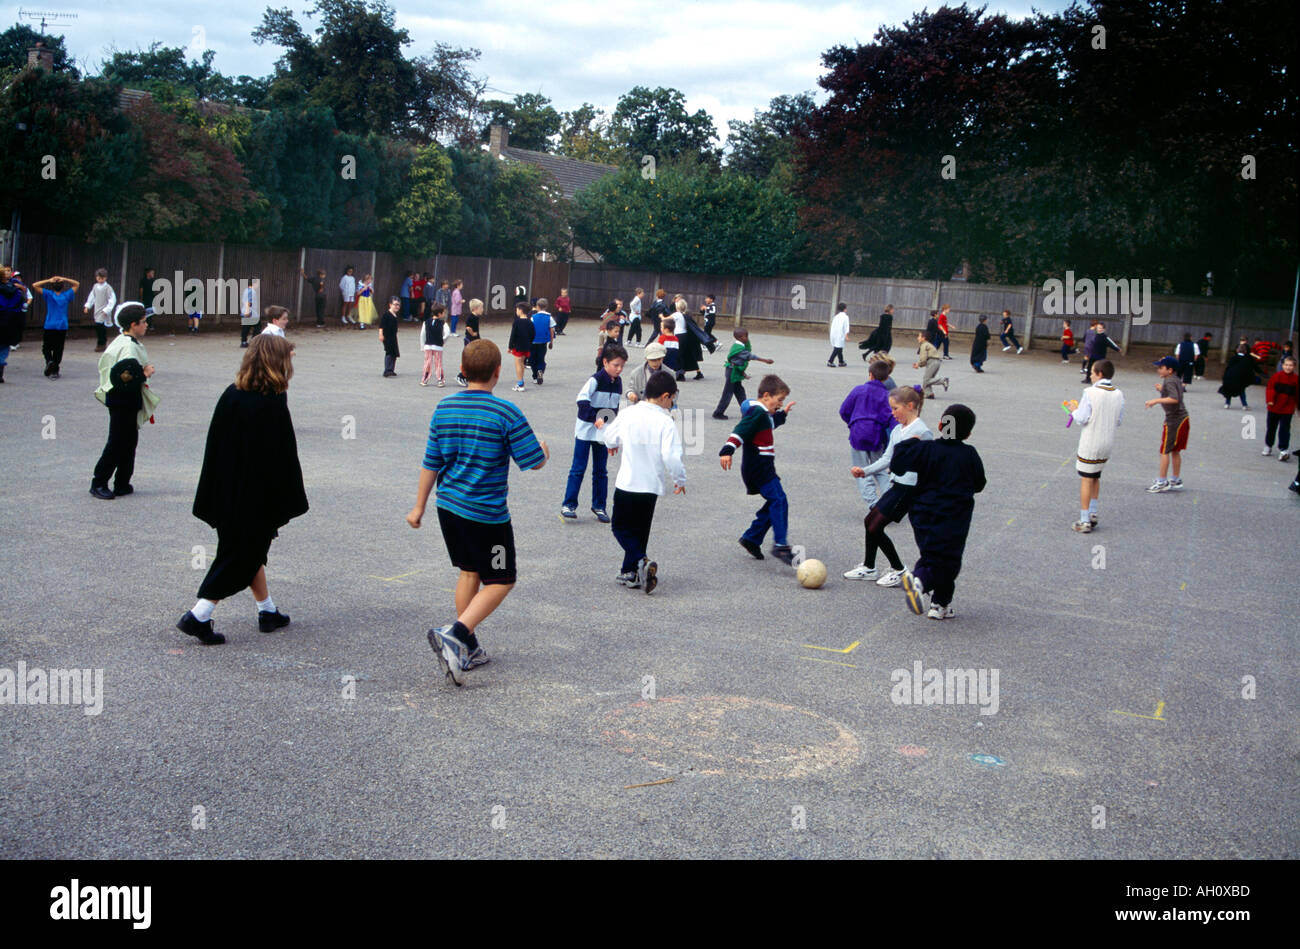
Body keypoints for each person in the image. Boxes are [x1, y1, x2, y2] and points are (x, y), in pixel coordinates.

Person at [406, 339, 550, 687]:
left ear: (463, 370)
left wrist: (419, 506)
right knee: (502, 579)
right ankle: (455, 634)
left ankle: (465, 646)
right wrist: (545, 448)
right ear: (498, 372)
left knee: (469, 572)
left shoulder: (444, 408)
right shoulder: (506, 413)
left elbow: (431, 461)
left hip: (448, 508)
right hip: (487, 515)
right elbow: (533, 462)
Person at [176, 333, 307, 646]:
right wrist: (283, 497)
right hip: (255, 497)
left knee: (248, 552)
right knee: (240, 556)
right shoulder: (271, 400)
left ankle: (267, 611)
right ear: (276, 363)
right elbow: (280, 455)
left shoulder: (232, 393)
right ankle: (199, 615)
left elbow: (217, 446)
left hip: (226, 491)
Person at [893, 404, 986, 620]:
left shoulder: (926, 449)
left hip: (922, 512)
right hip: (953, 516)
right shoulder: (969, 454)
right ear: (968, 433)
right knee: (948, 560)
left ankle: (940, 603)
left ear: (940, 425)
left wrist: (911, 442)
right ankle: (920, 582)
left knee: (933, 555)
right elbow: (980, 483)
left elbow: (898, 464)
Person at [602, 369, 687, 592]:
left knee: (619, 527)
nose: (673, 402)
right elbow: (671, 455)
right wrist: (679, 479)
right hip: (651, 485)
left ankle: (640, 561)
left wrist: (612, 445)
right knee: (640, 530)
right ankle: (632, 571)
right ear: (665, 396)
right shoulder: (665, 421)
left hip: (628, 482)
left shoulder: (629, 413)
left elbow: (610, 437)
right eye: (673, 398)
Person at [844, 385, 931, 584]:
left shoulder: (922, 432)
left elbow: (928, 465)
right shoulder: (898, 430)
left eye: (895, 409)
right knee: (869, 522)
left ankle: (899, 570)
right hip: (897, 486)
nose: (892, 413)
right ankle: (869, 567)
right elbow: (887, 458)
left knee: (875, 526)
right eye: (891, 409)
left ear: (910, 406)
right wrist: (864, 471)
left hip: (909, 490)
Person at [721, 375, 798, 564]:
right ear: (766, 395)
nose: (780, 404)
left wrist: (782, 414)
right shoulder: (757, 412)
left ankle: (752, 538)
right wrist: (727, 450)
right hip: (759, 468)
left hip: (763, 467)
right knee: (779, 500)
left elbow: (769, 424)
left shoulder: (763, 414)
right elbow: (741, 430)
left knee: (775, 502)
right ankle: (781, 545)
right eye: (779, 400)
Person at [90, 303, 157, 500]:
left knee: (129, 441)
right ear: (133, 324)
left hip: (125, 399)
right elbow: (124, 378)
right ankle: (99, 482)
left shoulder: (126, 341)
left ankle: (122, 482)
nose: (146, 325)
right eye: (144, 322)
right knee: (117, 441)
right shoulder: (128, 347)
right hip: (122, 399)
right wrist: (145, 373)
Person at [562, 342, 627, 521]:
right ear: (605, 363)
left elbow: (614, 411)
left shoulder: (618, 382)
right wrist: (595, 418)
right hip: (585, 432)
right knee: (578, 468)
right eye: (616, 365)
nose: (619, 369)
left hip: (602, 435)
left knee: (601, 470)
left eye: (622, 366)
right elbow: (581, 402)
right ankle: (568, 504)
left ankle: (599, 506)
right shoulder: (595, 380)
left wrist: (612, 433)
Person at [1069, 359, 1124, 532]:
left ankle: (1084, 520)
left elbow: (1081, 418)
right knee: (1096, 476)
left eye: (1092, 372)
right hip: (1107, 440)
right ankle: (1093, 512)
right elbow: (1119, 420)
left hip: (1091, 440)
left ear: (1099, 373)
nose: (1090, 375)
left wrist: (1073, 410)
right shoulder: (1118, 393)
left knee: (1086, 478)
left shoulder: (1090, 392)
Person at [839, 359, 897, 512]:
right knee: (879, 468)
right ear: (886, 378)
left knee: (861, 467)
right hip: (876, 435)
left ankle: (872, 502)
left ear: (870, 375)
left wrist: (852, 423)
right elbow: (891, 418)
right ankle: (888, 500)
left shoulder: (858, 390)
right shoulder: (886, 395)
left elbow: (844, 410)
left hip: (858, 433)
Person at [1144, 356, 1190, 492]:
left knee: (1165, 450)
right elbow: (1176, 394)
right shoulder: (1174, 379)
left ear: (1169, 370)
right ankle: (1175, 479)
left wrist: (1156, 400)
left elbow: (1174, 399)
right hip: (1182, 418)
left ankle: (1162, 481)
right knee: (1175, 450)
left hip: (1174, 420)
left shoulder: (1169, 381)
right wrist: (1162, 390)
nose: (1158, 370)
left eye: (1161, 368)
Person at [713, 327, 772, 419]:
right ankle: (718, 413)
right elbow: (750, 356)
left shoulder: (739, 345)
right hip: (732, 373)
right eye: (746, 336)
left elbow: (739, 360)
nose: (747, 338)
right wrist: (765, 360)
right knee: (727, 393)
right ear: (740, 337)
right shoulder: (739, 349)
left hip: (734, 371)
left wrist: (743, 373)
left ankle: (747, 411)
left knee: (740, 392)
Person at [30, 274, 79, 379]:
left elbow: (34, 285)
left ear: (52, 286)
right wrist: (65, 278)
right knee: (58, 348)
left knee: (46, 347)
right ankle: (55, 370)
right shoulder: (66, 295)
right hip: (62, 325)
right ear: (62, 286)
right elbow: (76, 284)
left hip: (49, 325)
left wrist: (49, 280)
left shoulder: (49, 294)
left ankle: (49, 361)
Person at [1262, 355, 1298, 461]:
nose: (1288, 367)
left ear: (1294, 367)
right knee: (1271, 427)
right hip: (1274, 407)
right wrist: (1270, 400)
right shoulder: (1276, 377)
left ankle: (1283, 449)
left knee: (1285, 429)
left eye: (1290, 365)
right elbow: (1270, 389)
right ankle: (1268, 445)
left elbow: (1297, 394)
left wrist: (1298, 408)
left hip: (1287, 408)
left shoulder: (1296, 379)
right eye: (1286, 365)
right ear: (1282, 366)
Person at [0, 267, 27, 383]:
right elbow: (21, 304)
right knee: (4, 347)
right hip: (10, 322)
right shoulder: (17, 291)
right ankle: (0, 372)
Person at [83, 268, 117, 352]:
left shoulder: (108, 287)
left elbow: (112, 299)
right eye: (98, 278)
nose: (100, 280)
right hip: (97, 309)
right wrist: (87, 306)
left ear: (105, 278)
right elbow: (92, 297)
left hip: (104, 310)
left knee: (101, 327)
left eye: (102, 278)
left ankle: (101, 344)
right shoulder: (95, 286)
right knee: (98, 327)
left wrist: (107, 309)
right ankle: (101, 343)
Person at [676, 299, 709, 379]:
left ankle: (681, 373)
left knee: (683, 356)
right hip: (689, 339)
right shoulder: (686, 317)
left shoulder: (683, 316)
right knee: (690, 357)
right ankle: (698, 373)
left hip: (686, 340)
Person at [456, 298, 483, 387]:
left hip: (474, 340)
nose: (482, 309)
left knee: (475, 359)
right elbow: (468, 328)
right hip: (469, 340)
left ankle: (470, 376)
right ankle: (461, 376)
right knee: (469, 359)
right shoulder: (471, 317)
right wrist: (473, 334)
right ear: (475, 308)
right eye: (481, 308)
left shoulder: (476, 317)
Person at [1219, 344, 1257, 409]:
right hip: (1240, 378)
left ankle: (1227, 403)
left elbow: (1228, 367)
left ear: (1237, 351)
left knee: (1229, 390)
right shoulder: (1247, 359)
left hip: (1231, 377)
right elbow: (1250, 370)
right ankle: (1244, 405)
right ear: (1245, 351)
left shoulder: (1233, 358)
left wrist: (1225, 376)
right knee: (1242, 391)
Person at [912, 331, 948, 398]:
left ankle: (943, 380)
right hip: (936, 362)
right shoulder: (929, 344)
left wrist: (918, 364)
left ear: (923, 338)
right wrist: (919, 364)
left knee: (926, 380)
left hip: (932, 362)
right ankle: (929, 394)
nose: (917, 338)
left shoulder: (924, 345)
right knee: (928, 379)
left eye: (919, 336)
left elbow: (923, 358)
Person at [507, 301, 533, 392]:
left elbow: (513, 335)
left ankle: (520, 384)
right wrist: (529, 344)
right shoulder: (530, 322)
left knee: (518, 364)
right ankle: (521, 381)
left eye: (517, 309)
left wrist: (510, 347)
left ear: (521, 310)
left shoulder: (517, 322)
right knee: (522, 363)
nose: (516, 311)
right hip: (526, 347)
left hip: (518, 347)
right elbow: (533, 334)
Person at [530, 297, 556, 384]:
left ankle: (534, 375)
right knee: (541, 358)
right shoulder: (550, 318)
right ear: (546, 307)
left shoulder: (533, 317)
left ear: (537, 306)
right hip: (543, 341)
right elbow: (552, 330)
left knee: (533, 359)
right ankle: (540, 370)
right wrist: (551, 342)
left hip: (533, 341)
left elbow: (530, 329)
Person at [421, 303, 447, 387]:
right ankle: (440, 380)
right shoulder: (443, 323)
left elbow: (422, 334)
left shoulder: (426, 322)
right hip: (438, 346)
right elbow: (447, 333)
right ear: (439, 314)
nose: (444, 314)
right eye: (443, 312)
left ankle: (424, 379)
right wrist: (442, 341)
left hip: (428, 345)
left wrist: (423, 345)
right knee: (438, 363)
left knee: (427, 362)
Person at [379, 296, 401, 377]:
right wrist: (381, 334)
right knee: (389, 352)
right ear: (390, 305)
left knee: (394, 353)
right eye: (395, 304)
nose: (397, 306)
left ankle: (391, 369)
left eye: (398, 305)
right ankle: (387, 370)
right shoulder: (386, 315)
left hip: (393, 337)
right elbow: (381, 326)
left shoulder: (394, 315)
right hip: (387, 337)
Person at [239, 277, 260, 347]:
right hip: (250, 312)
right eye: (257, 283)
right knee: (258, 326)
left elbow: (243, 300)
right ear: (254, 283)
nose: (258, 285)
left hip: (246, 310)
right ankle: (253, 341)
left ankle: (244, 342)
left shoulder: (246, 290)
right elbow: (249, 302)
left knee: (246, 327)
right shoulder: (251, 291)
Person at [827, 302, 850, 367]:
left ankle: (841, 361)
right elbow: (846, 327)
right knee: (837, 348)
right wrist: (846, 335)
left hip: (834, 334)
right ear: (845, 309)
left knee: (839, 348)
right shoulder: (845, 317)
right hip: (840, 334)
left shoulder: (836, 316)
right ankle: (830, 361)